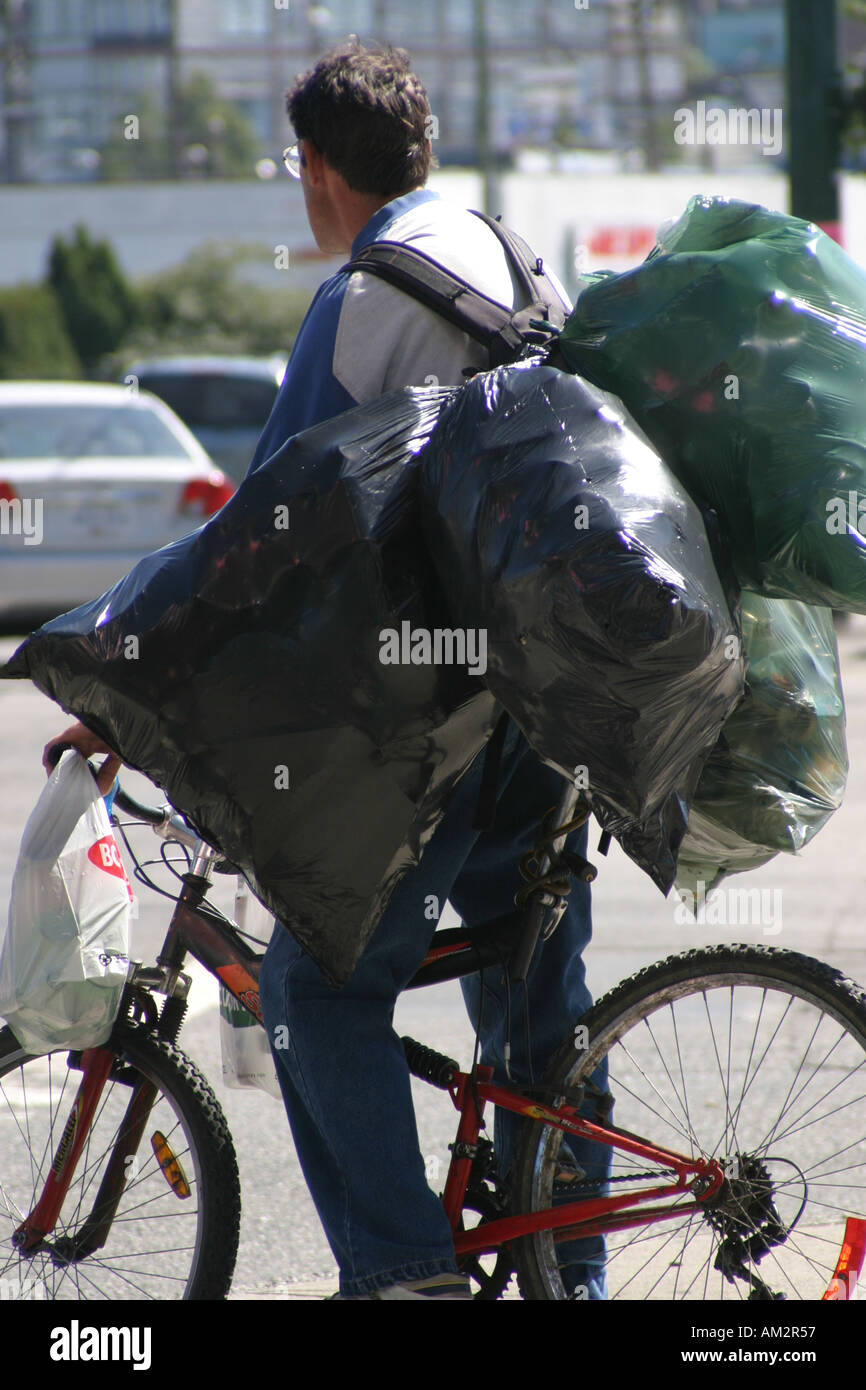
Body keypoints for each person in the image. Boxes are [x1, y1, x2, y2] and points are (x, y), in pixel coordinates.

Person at [44, 39, 607, 1302]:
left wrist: (126, 693)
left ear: (313, 166)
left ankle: (406, 1274)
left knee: (313, 987)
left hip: (441, 722)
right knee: (540, 1016)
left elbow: (257, 541)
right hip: (551, 702)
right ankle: (574, 1278)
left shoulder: (366, 297)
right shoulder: (513, 258)